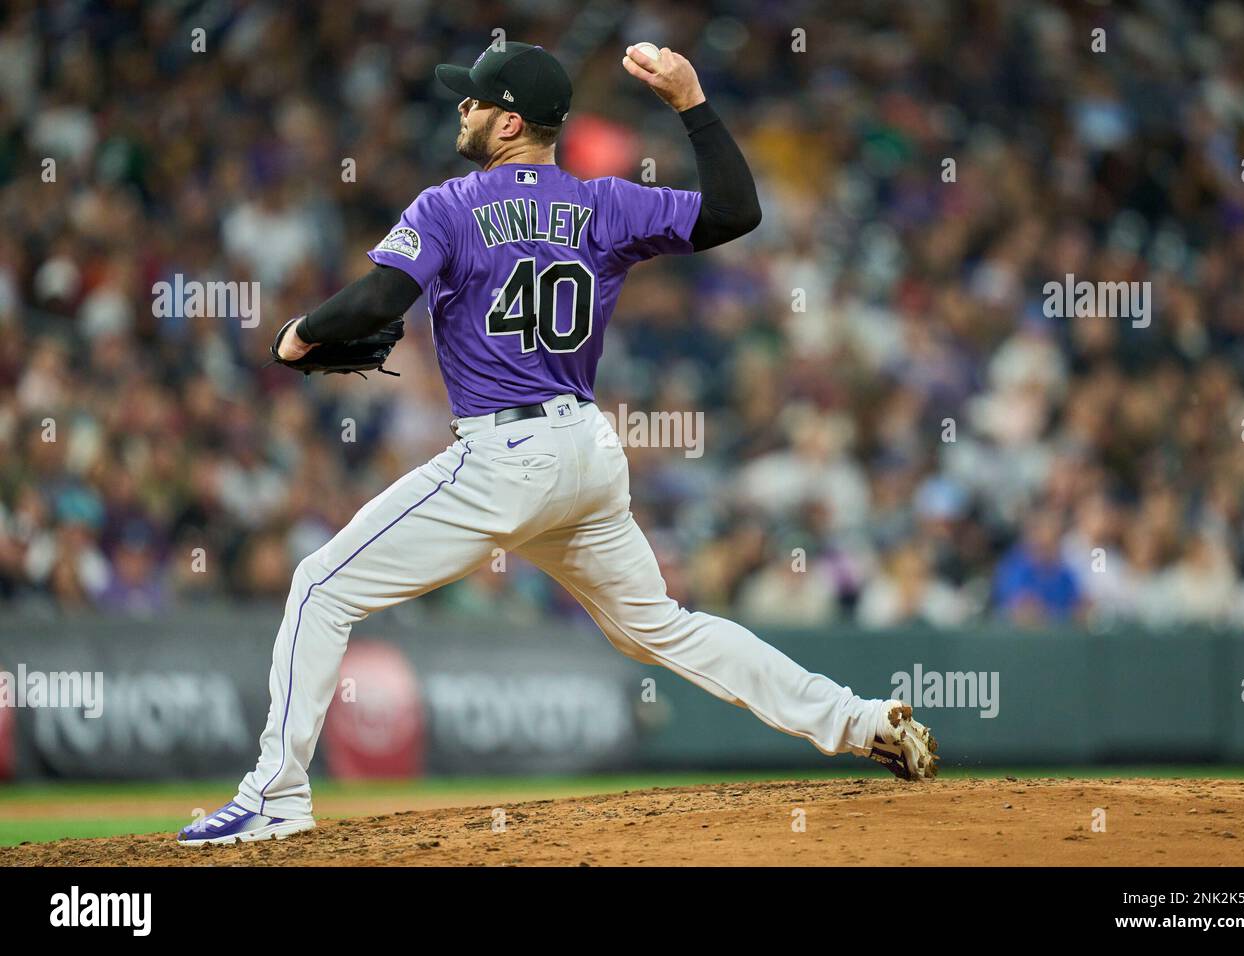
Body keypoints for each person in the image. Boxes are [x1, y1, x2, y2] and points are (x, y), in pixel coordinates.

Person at [179, 41, 937, 846]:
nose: (461, 110)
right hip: (586, 452)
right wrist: (692, 101)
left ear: (509, 122)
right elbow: (733, 213)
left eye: (472, 101)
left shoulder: (451, 204)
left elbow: (380, 297)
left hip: (506, 458)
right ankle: (858, 721)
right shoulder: (605, 204)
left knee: (321, 588)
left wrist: (296, 336)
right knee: (663, 628)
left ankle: (275, 796)